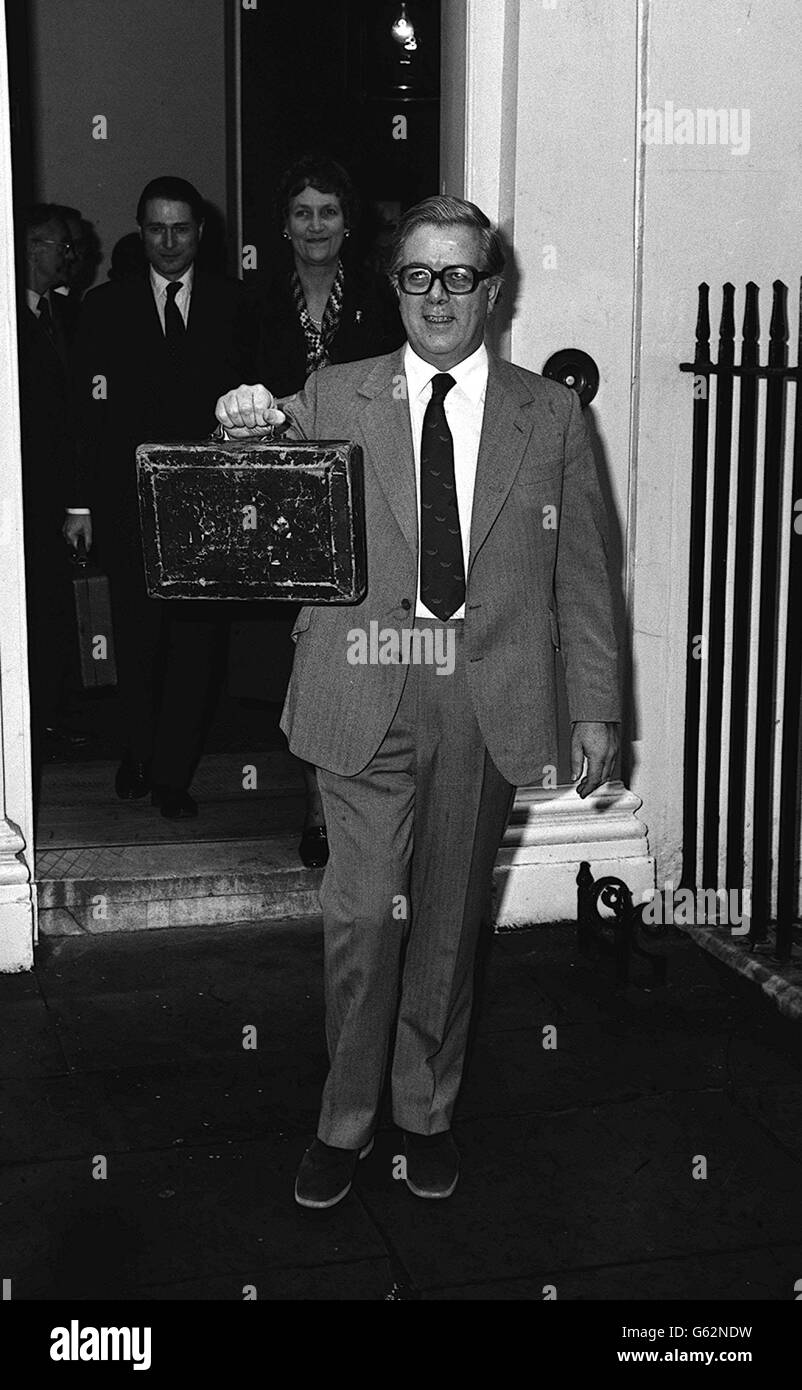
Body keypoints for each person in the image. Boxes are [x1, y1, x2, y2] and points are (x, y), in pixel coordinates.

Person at [215, 195, 620, 1209]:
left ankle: (423, 1111)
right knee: (362, 918)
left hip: (484, 697)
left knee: (443, 922)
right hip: (362, 685)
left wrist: (595, 704)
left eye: (458, 275)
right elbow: (250, 478)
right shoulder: (334, 393)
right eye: (416, 274)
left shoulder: (550, 414)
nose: (437, 295)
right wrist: (240, 418)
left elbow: (582, 574)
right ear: (394, 285)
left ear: (491, 290)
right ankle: (344, 1122)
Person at [64, 177, 254, 819]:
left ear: (200, 230)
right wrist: (80, 504)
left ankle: (174, 773)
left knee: (197, 647)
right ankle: (138, 752)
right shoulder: (105, 306)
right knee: (138, 638)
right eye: (155, 229)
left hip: (210, 510)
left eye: (181, 228)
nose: (168, 242)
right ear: (139, 231)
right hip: (126, 503)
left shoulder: (235, 304)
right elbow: (81, 418)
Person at [252, 156, 404, 867]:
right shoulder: (249, 300)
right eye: (302, 212)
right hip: (274, 494)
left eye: (329, 211)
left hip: (358, 493)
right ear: (284, 225)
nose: (316, 225)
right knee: (290, 648)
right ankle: (307, 786)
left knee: (338, 644)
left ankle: (325, 808)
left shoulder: (381, 295)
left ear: (349, 222)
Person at [17, 204, 85, 769]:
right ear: (29, 247)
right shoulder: (9, 320)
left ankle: (55, 714)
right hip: (19, 490)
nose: (66, 254)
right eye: (55, 244)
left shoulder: (68, 314)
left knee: (55, 603)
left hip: (60, 489)